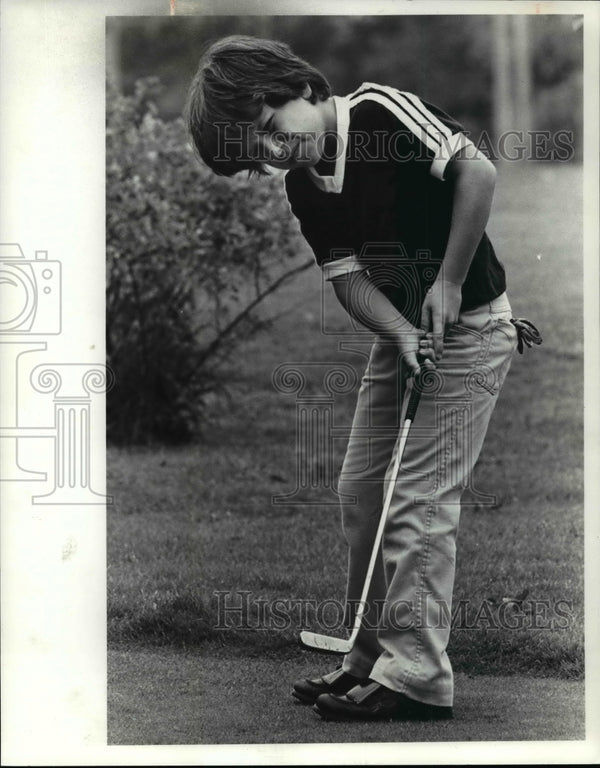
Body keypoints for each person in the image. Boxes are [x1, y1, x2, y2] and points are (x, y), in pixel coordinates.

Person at [187, 35, 540, 722]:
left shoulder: (380, 114)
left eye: (267, 129)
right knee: (361, 488)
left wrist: (448, 282)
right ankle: (367, 654)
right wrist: (403, 333)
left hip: (473, 331)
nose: (270, 152)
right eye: (254, 156)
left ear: (304, 89)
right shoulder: (303, 185)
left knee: (419, 500)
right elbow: (349, 281)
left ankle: (418, 675)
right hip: (406, 336)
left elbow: (479, 175)